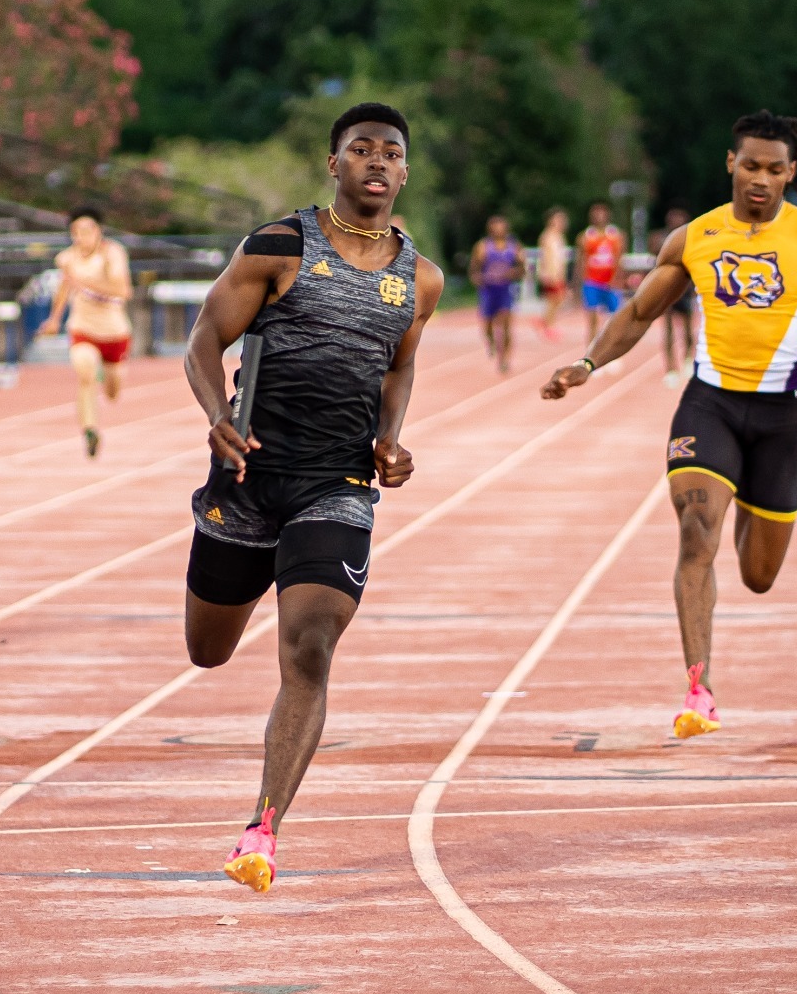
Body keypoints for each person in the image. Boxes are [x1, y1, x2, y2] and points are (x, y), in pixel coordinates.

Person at [182, 102, 441, 892]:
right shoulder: (280, 245)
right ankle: (250, 571)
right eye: (359, 147)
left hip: (338, 485)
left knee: (310, 647)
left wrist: (390, 439)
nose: (375, 160)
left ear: (403, 172)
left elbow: (397, 367)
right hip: (250, 476)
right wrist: (219, 417)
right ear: (334, 164)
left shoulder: (419, 279)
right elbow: (203, 340)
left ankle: (261, 828)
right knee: (207, 649)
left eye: (389, 151)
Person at [542, 111, 797, 740]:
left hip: (781, 417)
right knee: (696, 533)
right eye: (750, 166)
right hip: (709, 405)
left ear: (790, 173)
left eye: (774, 169)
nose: (761, 180)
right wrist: (587, 363)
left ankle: (747, 492)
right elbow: (638, 312)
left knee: (759, 577)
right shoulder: (695, 238)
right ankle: (700, 688)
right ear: (731, 165)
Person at [43, 205, 133, 458]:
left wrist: (82, 281)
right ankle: (90, 430)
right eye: (75, 231)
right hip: (83, 327)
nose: (80, 236)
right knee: (85, 374)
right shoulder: (67, 258)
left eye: (85, 230)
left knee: (113, 394)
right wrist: (54, 320)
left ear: (98, 231)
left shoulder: (112, 254)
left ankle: (106, 375)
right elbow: (64, 288)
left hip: (115, 331)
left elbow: (122, 290)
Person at [468, 214, 526, 373]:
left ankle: (504, 359)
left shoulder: (514, 247)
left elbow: (523, 269)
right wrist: (477, 278)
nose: (498, 230)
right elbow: (473, 269)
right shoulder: (482, 247)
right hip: (488, 290)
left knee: (506, 325)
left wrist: (513, 273)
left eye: (501, 226)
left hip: (505, 289)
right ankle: (491, 342)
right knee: (487, 326)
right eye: (495, 227)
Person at [576, 202, 626, 343]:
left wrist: (617, 280)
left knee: (614, 321)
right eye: (595, 213)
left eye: (601, 212)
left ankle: (612, 352)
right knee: (592, 321)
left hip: (610, 282)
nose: (598, 216)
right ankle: (591, 354)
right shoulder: (585, 236)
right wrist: (578, 284)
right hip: (592, 282)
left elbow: (619, 260)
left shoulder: (616, 235)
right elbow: (581, 261)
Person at [659, 205, 697, 388]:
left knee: (688, 331)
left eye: (680, 218)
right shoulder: (659, 240)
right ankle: (671, 369)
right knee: (668, 332)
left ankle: (688, 359)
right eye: (673, 218)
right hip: (666, 292)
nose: (676, 221)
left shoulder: (693, 241)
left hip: (686, 291)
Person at [536, 208, 571, 339]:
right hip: (551, 273)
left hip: (558, 272)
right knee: (555, 299)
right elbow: (545, 257)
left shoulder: (559, 236)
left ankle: (545, 321)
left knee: (556, 299)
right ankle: (547, 324)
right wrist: (545, 273)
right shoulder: (547, 236)